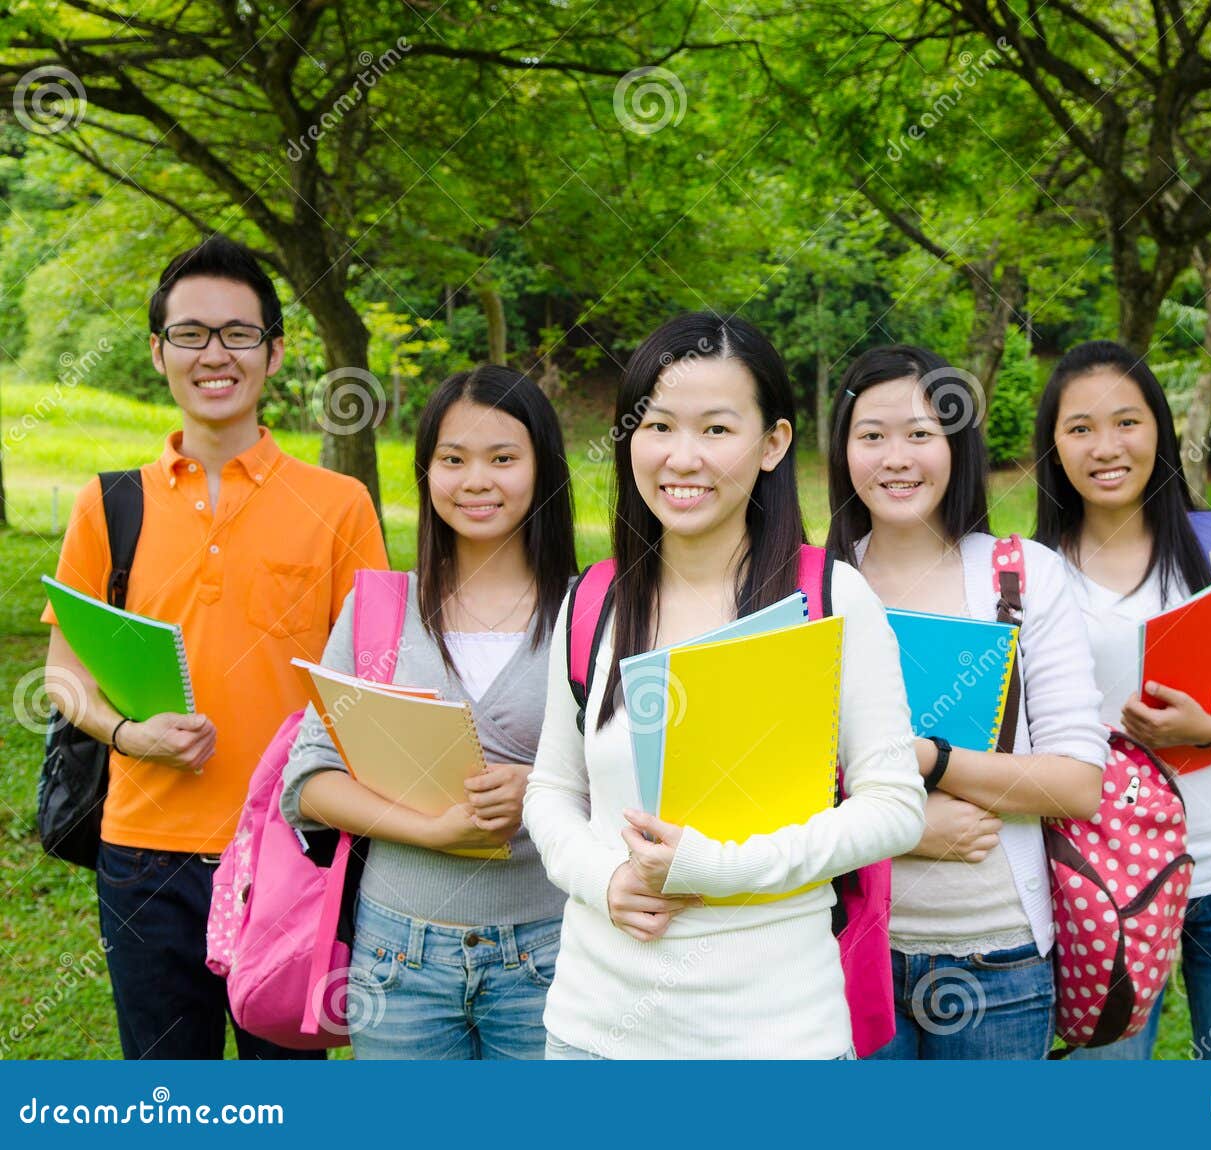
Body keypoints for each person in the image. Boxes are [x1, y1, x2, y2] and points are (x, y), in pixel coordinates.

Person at [525, 312, 925, 1059]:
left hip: (778, 1041)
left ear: (773, 444)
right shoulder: (592, 602)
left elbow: (895, 807)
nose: (683, 458)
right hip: (593, 1036)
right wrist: (605, 878)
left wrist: (721, 868)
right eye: (658, 426)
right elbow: (551, 788)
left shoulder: (831, 599)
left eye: (716, 429)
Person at [42, 235, 387, 1059]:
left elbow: (371, 680)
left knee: (286, 1093)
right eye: (191, 334)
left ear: (275, 352)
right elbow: (64, 673)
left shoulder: (340, 504)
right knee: (167, 1096)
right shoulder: (108, 505)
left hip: (289, 849)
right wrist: (129, 735)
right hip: (143, 856)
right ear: (158, 351)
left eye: (238, 333)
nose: (214, 354)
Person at [281, 365, 577, 1059]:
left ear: (542, 468)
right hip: (396, 960)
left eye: (502, 458)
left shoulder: (592, 609)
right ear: (426, 471)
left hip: (553, 948)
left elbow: (637, 781)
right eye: (453, 459)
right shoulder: (379, 610)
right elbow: (309, 782)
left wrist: (540, 789)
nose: (476, 481)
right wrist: (431, 829)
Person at [1036, 340, 1211, 1061]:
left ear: (1159, 429)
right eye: (1080, 428)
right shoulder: (1031, 572)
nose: (1106, 447)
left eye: (1127, 422)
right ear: (1054, 446)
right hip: (1105, 889)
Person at [826, 345, 1106, 1059]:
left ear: (957, 446)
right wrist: (905, 828)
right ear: (843, 450)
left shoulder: (1024, 575)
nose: (896, 458)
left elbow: (1078, 783)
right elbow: (778, 786)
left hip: (998, 960)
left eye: (921, 434)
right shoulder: (815, 588)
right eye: (872, 435)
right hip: (849, 951)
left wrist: (931, 760)